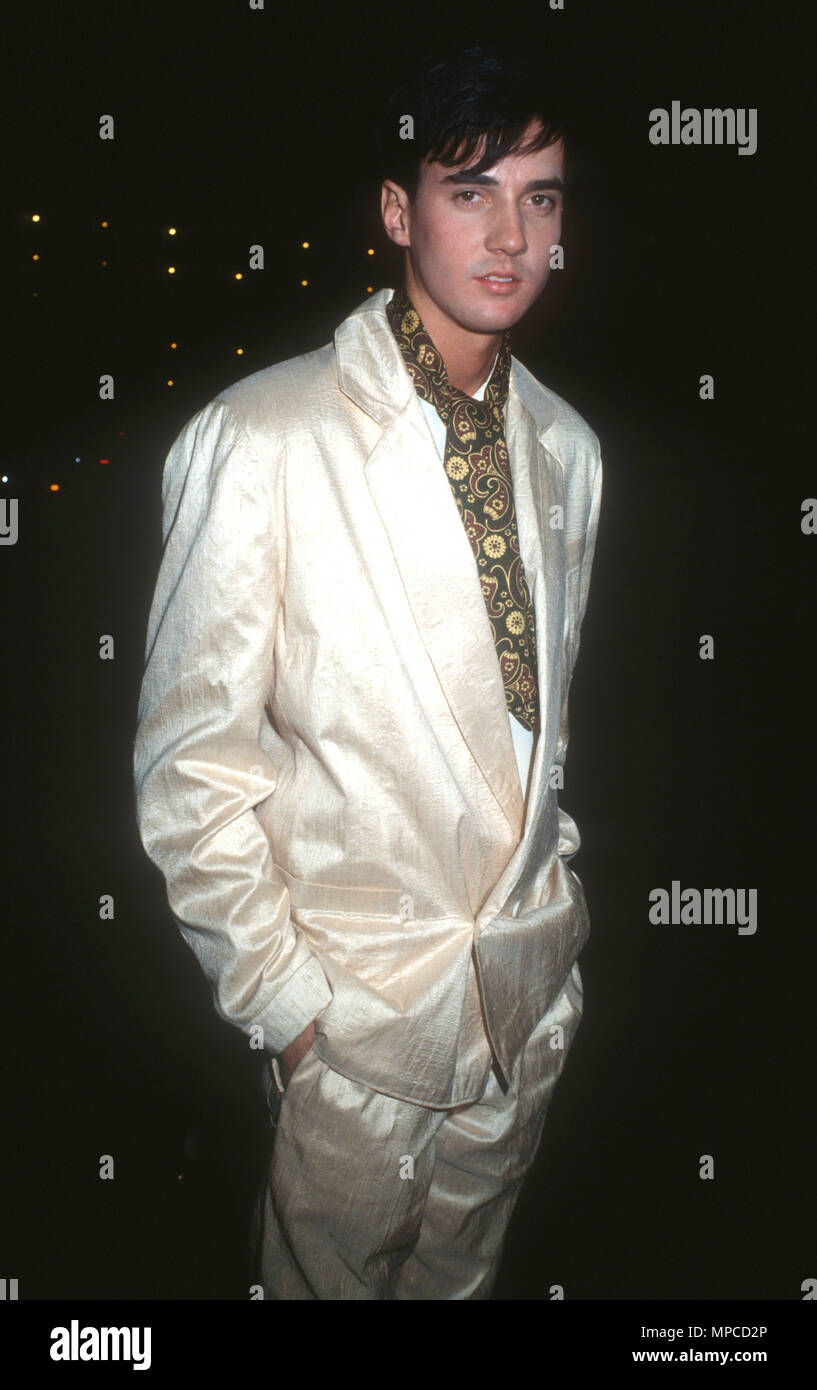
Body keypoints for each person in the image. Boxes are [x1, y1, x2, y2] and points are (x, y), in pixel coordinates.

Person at [133, 44, 603, 1300]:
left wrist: (551, 937)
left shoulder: (569, 448)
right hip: (350, 1034)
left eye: (542, 196)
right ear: (397, 211)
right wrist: (291, 1016)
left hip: (522, 1009)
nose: (512, 233)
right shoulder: (263, 437)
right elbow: (191, 774)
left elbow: (534, 730)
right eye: (471, 190)